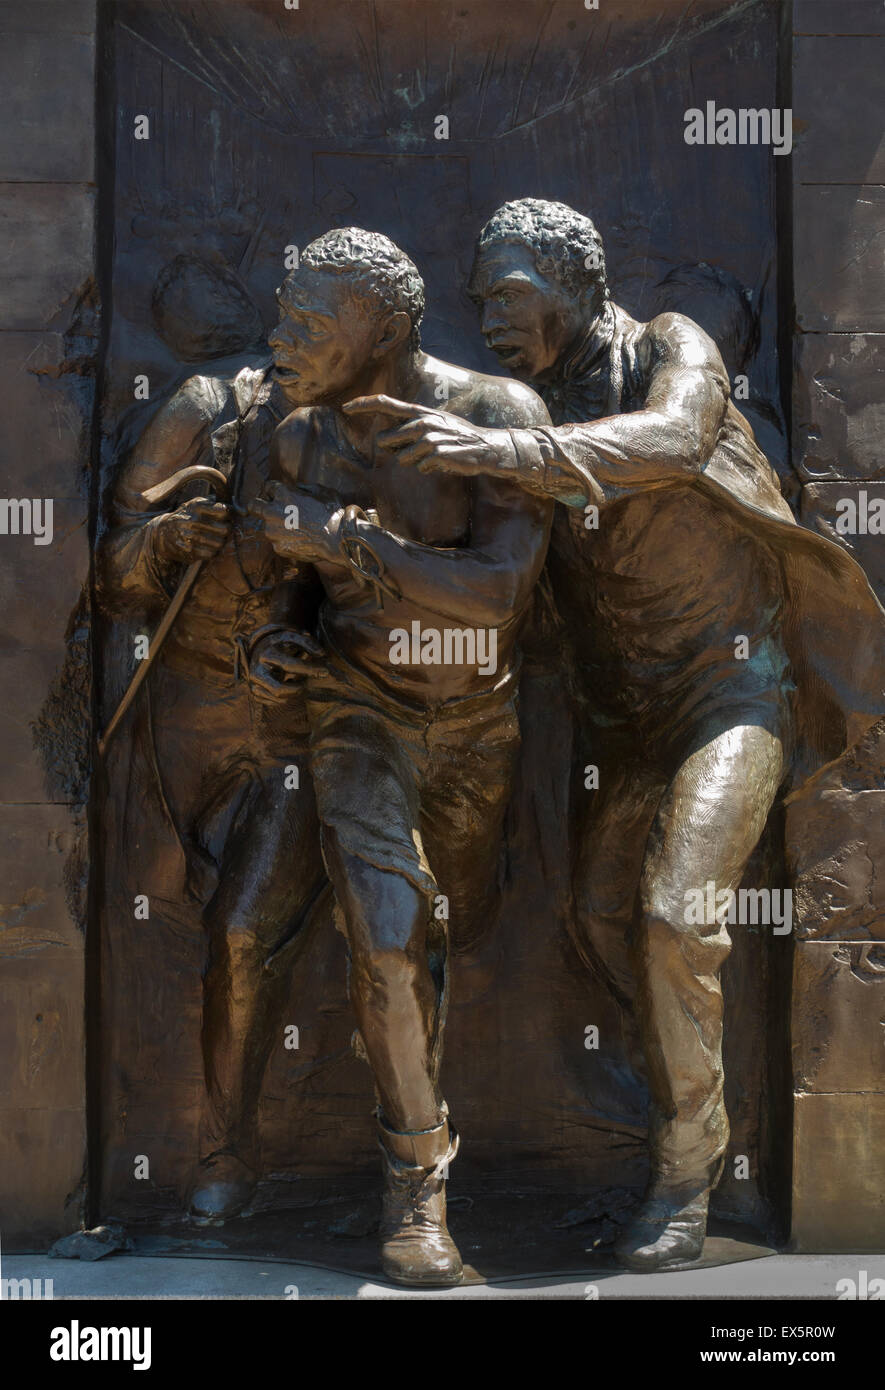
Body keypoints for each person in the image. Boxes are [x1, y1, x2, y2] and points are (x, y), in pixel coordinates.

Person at [344, 198, 885, 1271]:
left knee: (677, 917)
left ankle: (689, 1176)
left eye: (510, 292)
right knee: (606, 922)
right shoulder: (509, 403)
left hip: (734, 690)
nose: (490, 316)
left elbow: (677, 441)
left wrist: (506, 445)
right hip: (615, 717)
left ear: (577, 283)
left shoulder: (665, 348)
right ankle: (668, 1099)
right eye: (481, 297)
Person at [251, 227, 552, 1285]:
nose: (281, 340)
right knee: (388, 938)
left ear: (379, 326)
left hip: (477, 721)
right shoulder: (298, 440)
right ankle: (415, 1197)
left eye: (307, 324)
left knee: (441, 937)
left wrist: (356, 545)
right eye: (282, 318)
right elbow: (293, 581)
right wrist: (279, 633)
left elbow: (502, 592)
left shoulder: (495, 417)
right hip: (356, 709)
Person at [99, 254, 327, 1225]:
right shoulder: (204, 407)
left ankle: (230, 1150)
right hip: (186, 729)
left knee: (245, 929)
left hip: (303, 733)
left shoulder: (374, 416)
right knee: (186, 918)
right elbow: (112, 576)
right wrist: (165, 541)